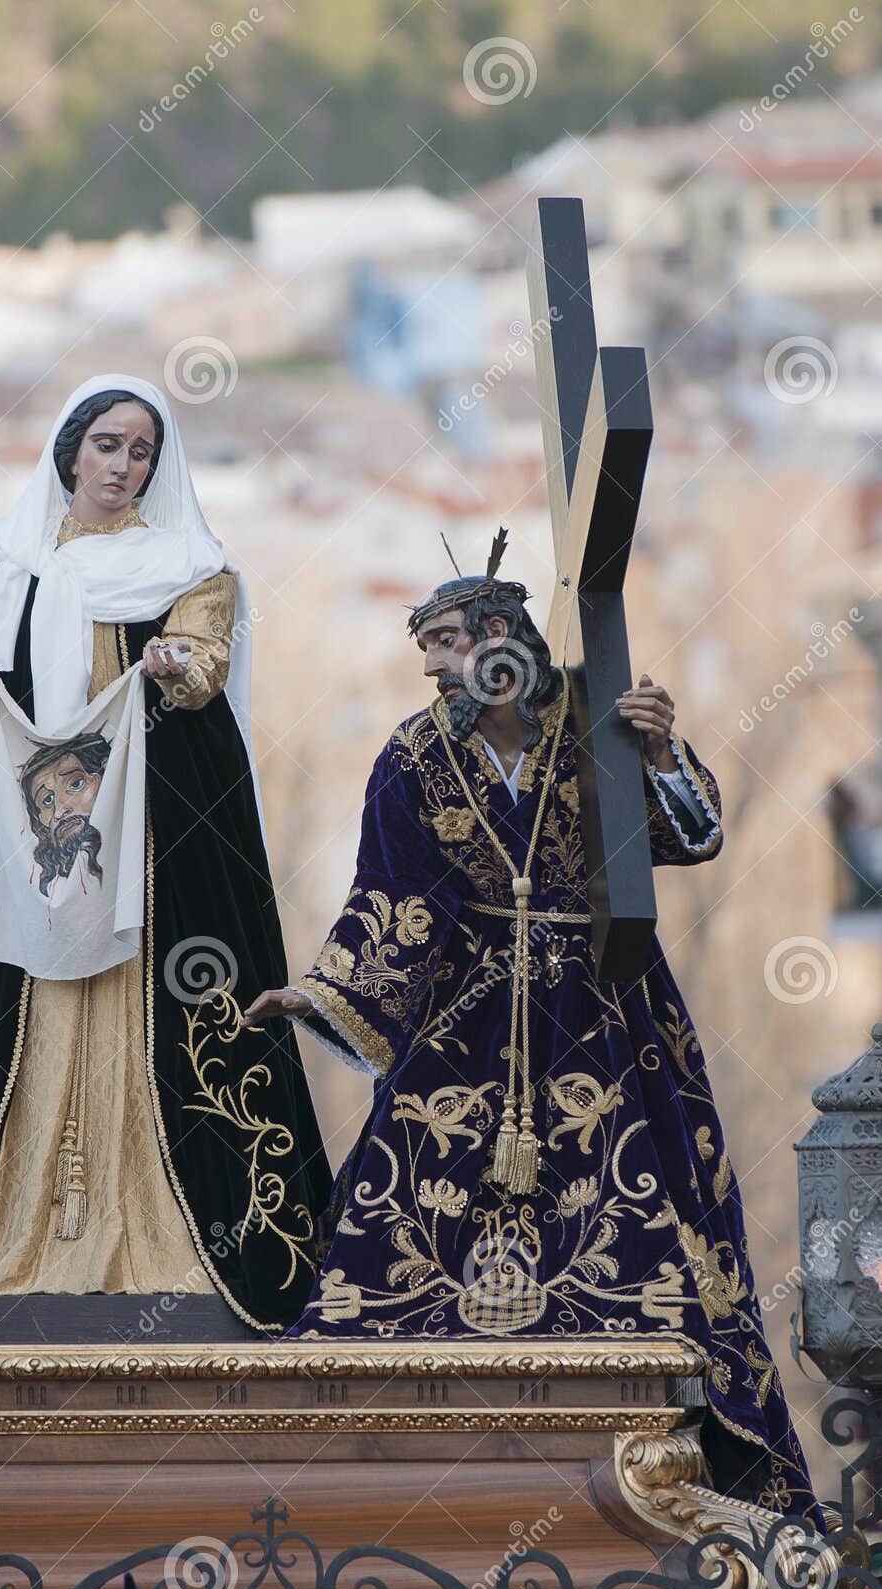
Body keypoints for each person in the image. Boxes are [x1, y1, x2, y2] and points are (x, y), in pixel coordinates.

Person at [246, 544, 823, 1526]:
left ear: (499, 639)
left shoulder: (597, 725)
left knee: (643, 1198)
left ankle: (667, 1443)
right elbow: (391, 898)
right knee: (408, 1206)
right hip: (464, 1019)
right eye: (424, 647)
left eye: (440, 642)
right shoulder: (412, 755)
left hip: (604, 1004)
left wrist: (657, 751)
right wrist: (321, 996)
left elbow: (690, 837)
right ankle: (407, 1457)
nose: (429, 666)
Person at [0, 373, 330, 1435]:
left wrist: (174, 665)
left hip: (148, 852)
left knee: (154, 1025)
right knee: (8, 1031)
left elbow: (203, 669)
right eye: (106, 443)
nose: (122, 464)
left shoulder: (191, 565)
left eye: (141, 451)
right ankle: (1, 1246)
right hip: (25, 852)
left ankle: (163, 1246)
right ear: (68, 447)